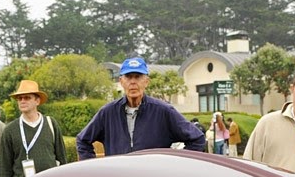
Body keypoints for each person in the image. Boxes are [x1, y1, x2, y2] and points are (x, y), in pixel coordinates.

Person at [76, 57, 205, 158]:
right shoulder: (108, 112)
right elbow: (82, 141)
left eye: (137, 77)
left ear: (146, 81)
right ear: (121, 81)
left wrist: (174, 165)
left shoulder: (163, 111)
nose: (133, 82)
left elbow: (197, 138)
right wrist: (94, 170)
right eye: (128, 77)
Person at [0, 80, 66, 177]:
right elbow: (4, 167)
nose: (22, 101)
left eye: (27, 97)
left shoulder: (51, 124)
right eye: (19, 98)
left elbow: (62, 159)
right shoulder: (10, 130)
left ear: (37, 100)